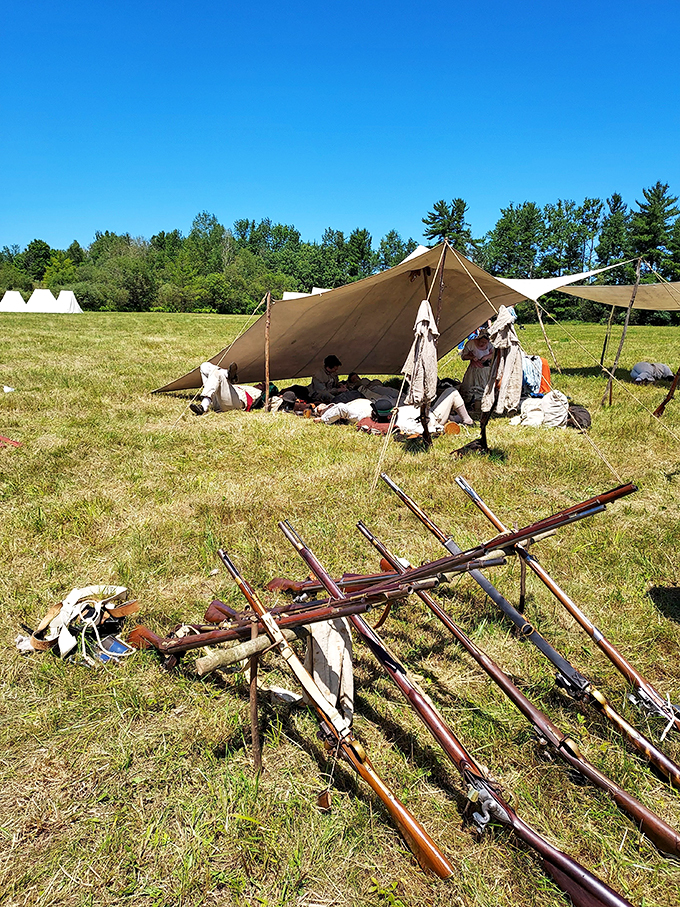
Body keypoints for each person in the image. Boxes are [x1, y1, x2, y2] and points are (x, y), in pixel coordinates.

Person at [190, 362, 263, 415]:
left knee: (217, 374)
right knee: (204, 366)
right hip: (218, 399)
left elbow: (267, 397)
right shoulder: (251, 387)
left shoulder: (259, 392)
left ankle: (203, 406)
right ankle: (227, 374)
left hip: (236, 401)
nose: (261, 383)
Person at [460, 330, 494, 407]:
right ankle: (469, 402)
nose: (483, 344)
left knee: (485, 388)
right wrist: (471, 357)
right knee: (469, 389)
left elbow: (494, 354)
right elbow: (463, 356)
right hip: (474, 370)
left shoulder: (490, 345)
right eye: (481, 342)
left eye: (485, 343)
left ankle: (484, 403)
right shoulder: (471, 344)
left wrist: (487, 357)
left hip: (485, 370)